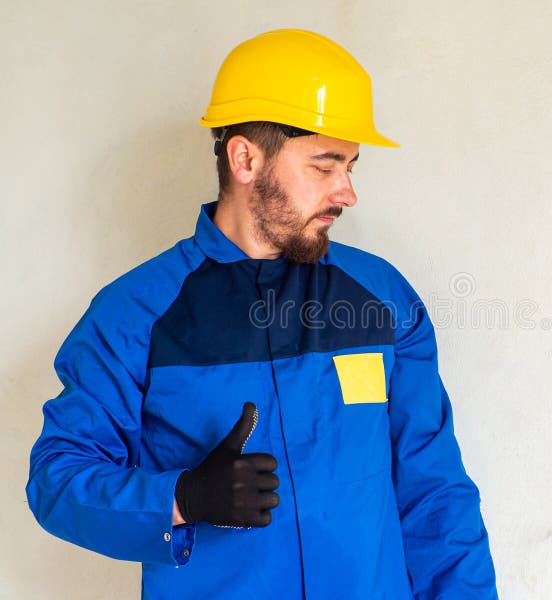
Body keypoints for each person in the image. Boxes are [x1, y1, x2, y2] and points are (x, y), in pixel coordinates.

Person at [26, 29, 497, 599]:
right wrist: (182, 498)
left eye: (351, 165)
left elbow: (435, 492)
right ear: (245, 158)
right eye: (325, 166)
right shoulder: (134, 315)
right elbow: (57, 479)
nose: (347, 192)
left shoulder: (382, 299)